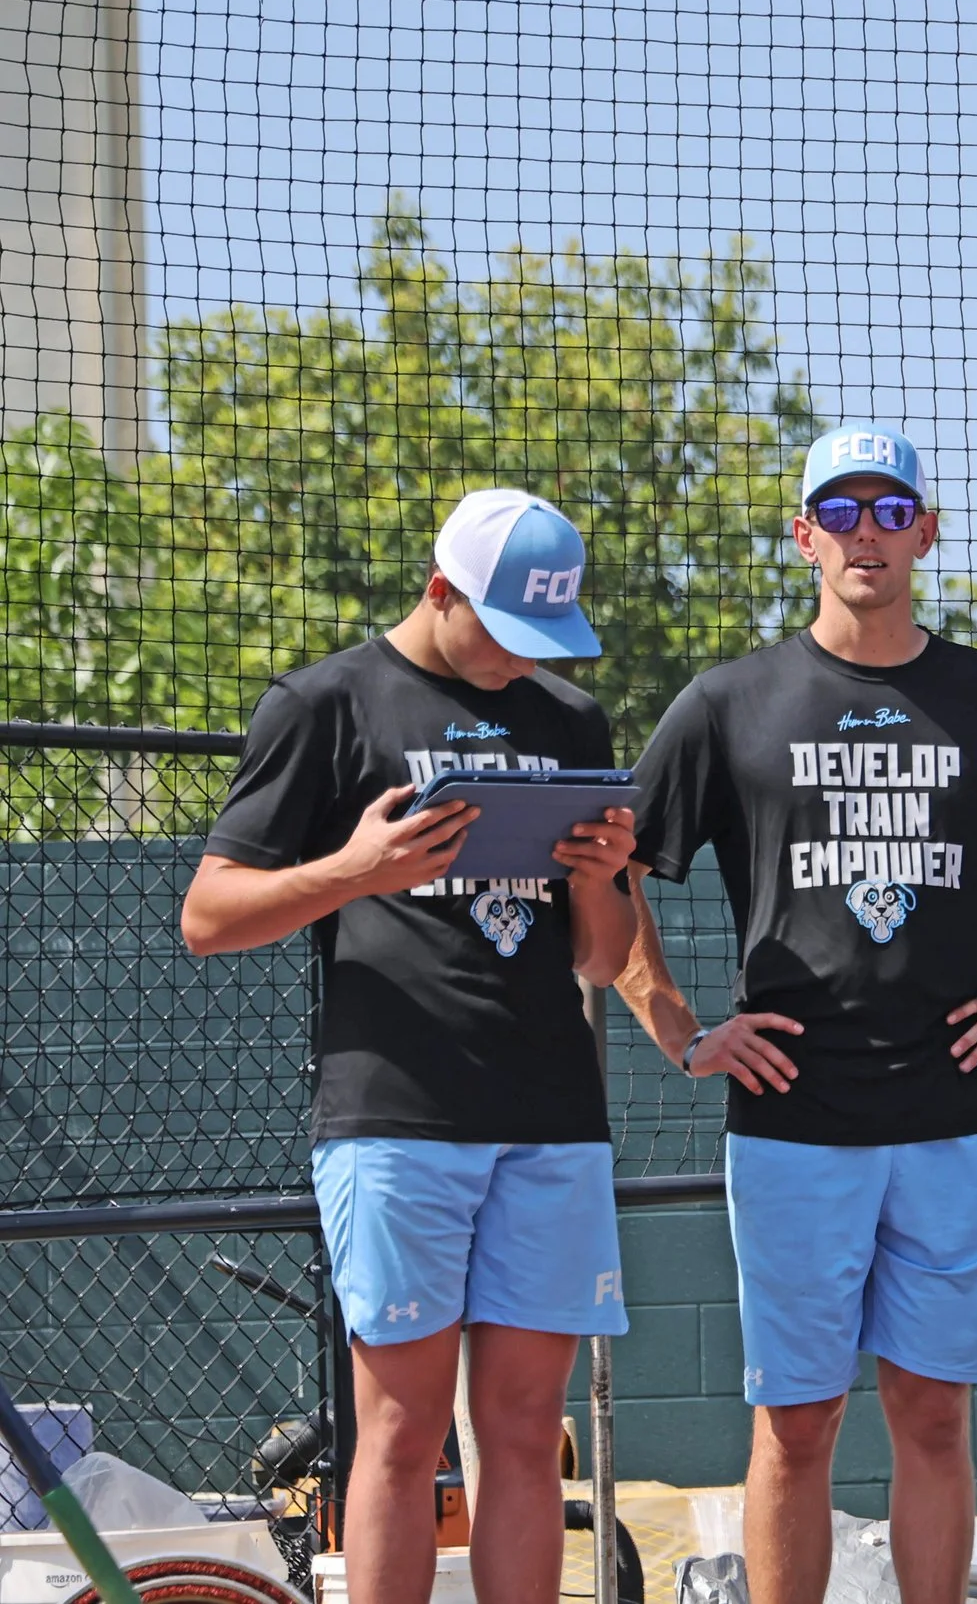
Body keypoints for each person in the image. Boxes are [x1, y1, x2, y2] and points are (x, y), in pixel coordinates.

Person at [616, 424, 977, 1604]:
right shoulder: (729, 702)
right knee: (793, 1427)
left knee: (936, 1421)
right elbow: (617, 865)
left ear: (927, 534)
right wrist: (677, 1027)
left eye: (890, 510)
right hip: (792, 1131)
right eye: (840, 512)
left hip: (951, 1120)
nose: (866, 533)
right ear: (802, 536)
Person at [182, 490, 638, 1604]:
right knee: (399, 1434)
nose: (521, 665)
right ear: (441, 593)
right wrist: (358, 871)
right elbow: (207, 916)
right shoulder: (326, 703)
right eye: (504, 635)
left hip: (548, 1118)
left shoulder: (569, 719)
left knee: (528, 1432)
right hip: (397, 1118)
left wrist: (594, 872)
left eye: (545, 644)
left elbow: (603, 954)